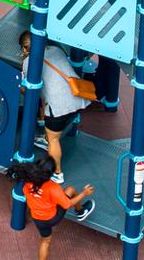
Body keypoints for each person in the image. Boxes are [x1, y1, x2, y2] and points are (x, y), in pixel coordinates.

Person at [18, 31, 98, 178]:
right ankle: (46, 137)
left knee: (54, 140)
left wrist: (17, 86)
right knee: (52, 124)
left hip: (58, 108)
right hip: (78, 99)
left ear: (24, 48)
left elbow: (31, 91)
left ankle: (57, 173)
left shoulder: (29, 62)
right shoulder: (56, 50)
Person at [7, 151, 94, 260]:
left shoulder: (27, 183)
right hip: (53, 217)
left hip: (38, 219)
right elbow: (66, 204)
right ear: (50, 174)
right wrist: (84, 193)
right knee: (70, 190)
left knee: (45, 241)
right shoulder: (53, 187)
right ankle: (81, 211)